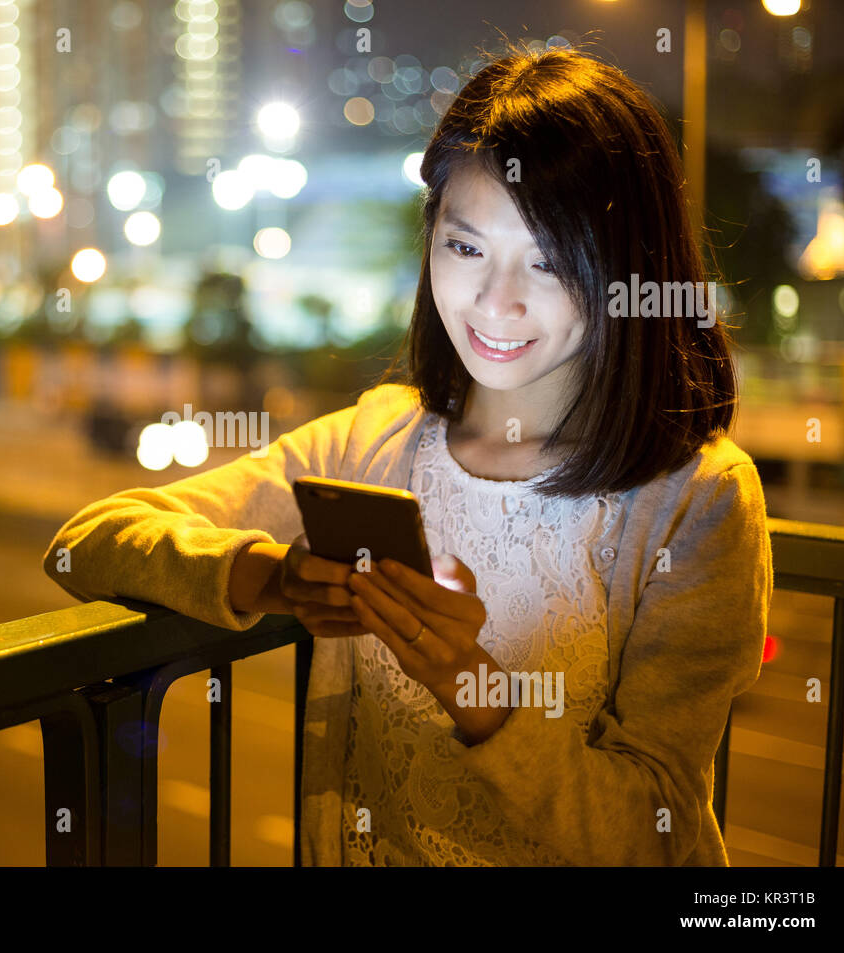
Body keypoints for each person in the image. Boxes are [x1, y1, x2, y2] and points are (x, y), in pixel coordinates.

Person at [42, 43, 772, 866]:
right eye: (466, 249)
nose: (497, 301)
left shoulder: (696, 496)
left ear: (628, 270)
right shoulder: (373, 441)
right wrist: (273, 578)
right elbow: (83, 542)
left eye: (551, 261)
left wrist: (472, 685)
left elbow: (656, 830)